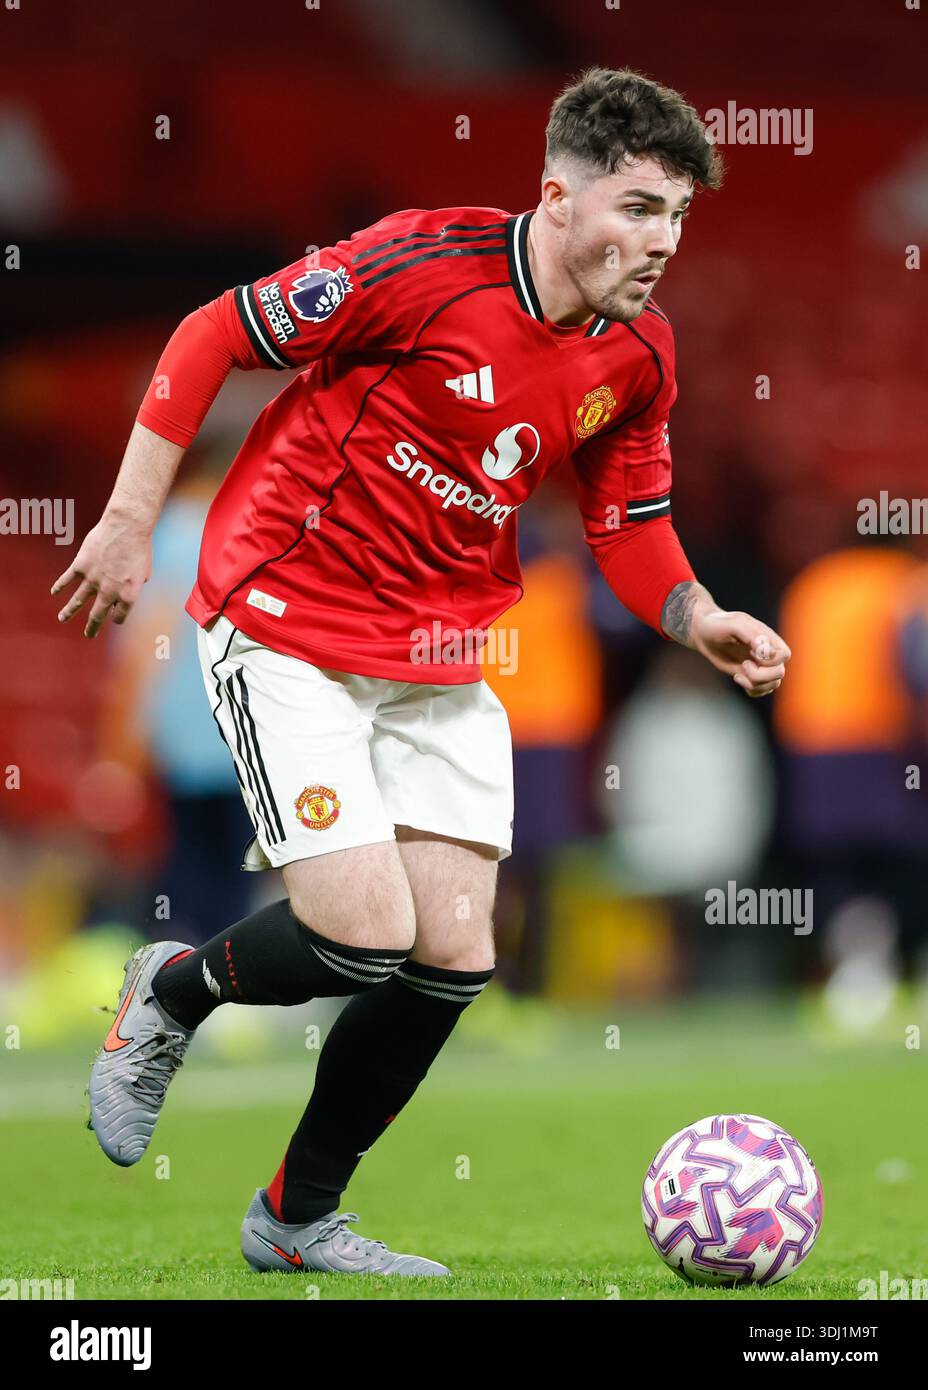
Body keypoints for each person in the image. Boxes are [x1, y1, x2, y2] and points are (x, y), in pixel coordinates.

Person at [51, 66, 790, 1278]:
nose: (662, 244)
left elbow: (625, 519)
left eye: (678, 219)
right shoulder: (416, 264)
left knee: (452, 956)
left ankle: (293, 1221)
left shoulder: (639, 353)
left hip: (442, 653)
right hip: (287, 619)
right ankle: (171, 994)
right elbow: (211, 334)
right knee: (359, 939)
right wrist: (132, 519)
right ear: (558, 198)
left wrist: (696, 611)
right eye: (641, 210)